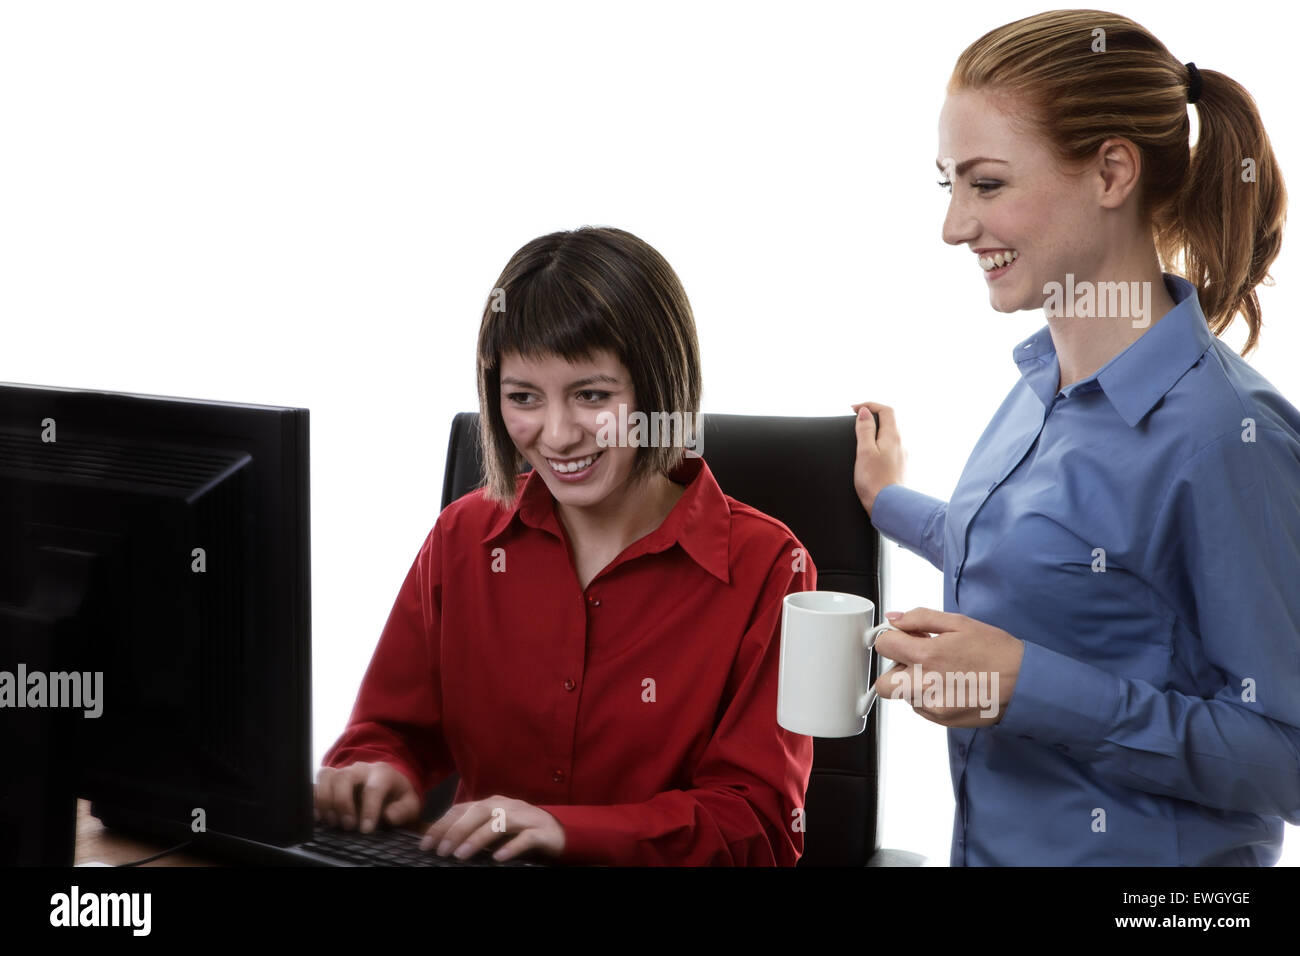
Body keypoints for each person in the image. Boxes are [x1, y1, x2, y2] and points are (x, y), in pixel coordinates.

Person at [852, 10, 1299, 865]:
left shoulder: (1226, 440)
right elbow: (1051, 561)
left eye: (985, 185)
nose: (954, 225)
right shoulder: (1039, 387)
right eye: (947, 185)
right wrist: (889, 501)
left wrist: (1030, 689)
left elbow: (1290, 756)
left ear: (1111, 172)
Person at [314, 225, 816, 865]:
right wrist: (376, 770)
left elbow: (759, 825)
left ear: (659, 389)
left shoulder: (770, 569)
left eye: (592, 396)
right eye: (523, 397)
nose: (556, 435)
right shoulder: (464, 537)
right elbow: (390, 732)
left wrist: (564, 830)